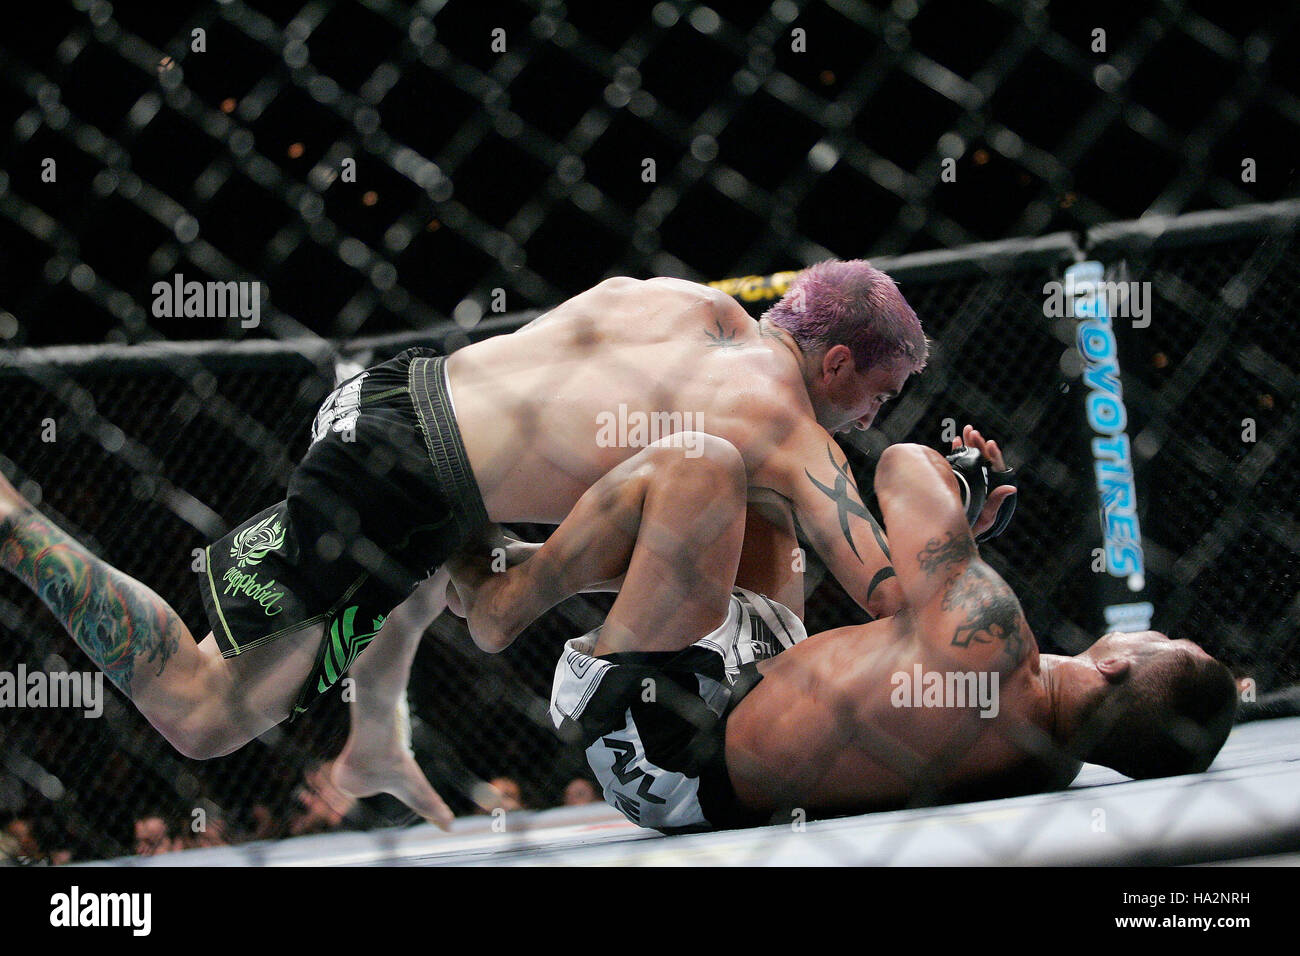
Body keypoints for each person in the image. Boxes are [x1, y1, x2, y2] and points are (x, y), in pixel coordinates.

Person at [0, 260, 1012, 828]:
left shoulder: (679, 302)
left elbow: (548, 424)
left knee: (721, 508)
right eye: (875, 398)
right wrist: (945, 507)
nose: (869, 421)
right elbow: (896, 599)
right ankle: (13, 526)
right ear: (835, 359)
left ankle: (387, 718)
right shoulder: (783, 426)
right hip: (406, 477)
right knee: (200, 708)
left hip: (396, 401)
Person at [447, 432, 1237, 832]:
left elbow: (898, 464)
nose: (1155, 631)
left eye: (1164, 644)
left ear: (1117, 670)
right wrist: (954, 545)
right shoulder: (1046, 761)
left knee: (703, 461)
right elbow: (910, 650)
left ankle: (501, 601)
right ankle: (535, 561)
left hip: (662, 734)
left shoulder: (994, 642)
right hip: (727, 734)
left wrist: (960, 473)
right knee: (770, 505)